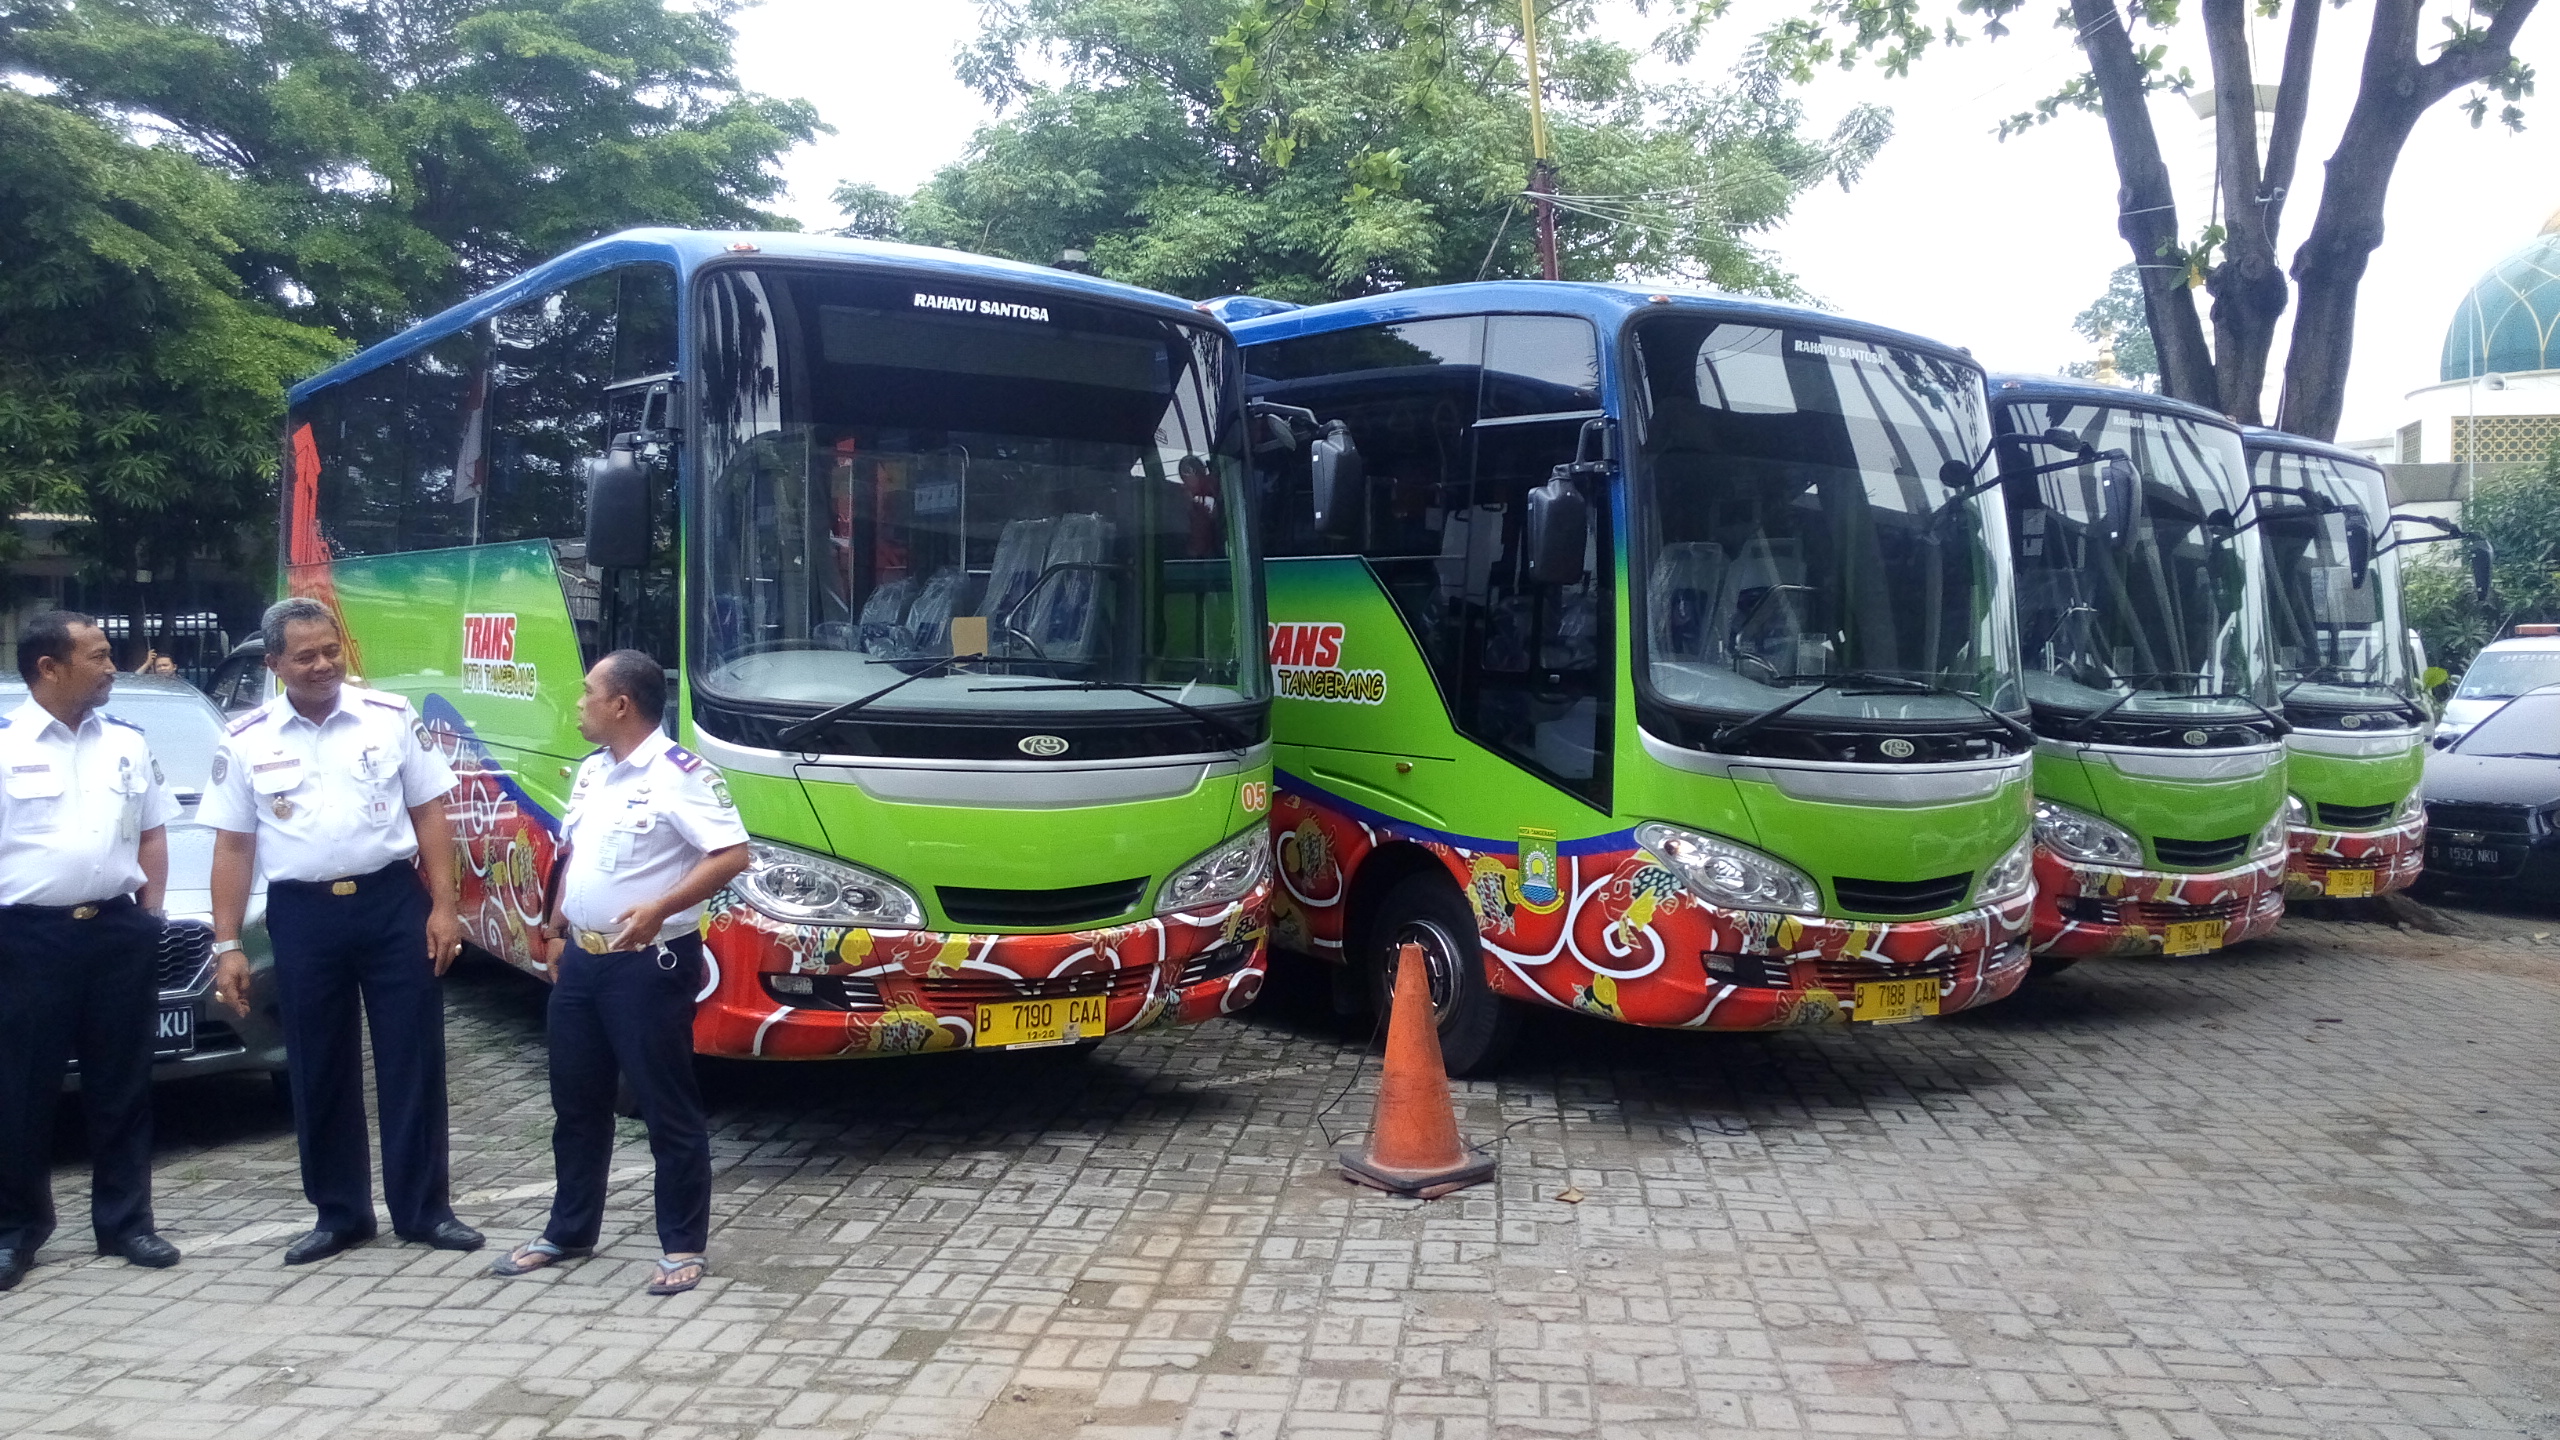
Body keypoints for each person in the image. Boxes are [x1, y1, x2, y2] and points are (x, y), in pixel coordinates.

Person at [204, 596, 480, 1264]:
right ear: (275, 664)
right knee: (317, 1063)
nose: (324, 665)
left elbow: (430, 814)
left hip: (391, 904)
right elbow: (233, 848)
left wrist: (444, 908)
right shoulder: (245, 740)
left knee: (411, 1058)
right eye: (306, 656)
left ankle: (424, 1210)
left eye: (332, 651)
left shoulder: (388, 718)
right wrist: (228, 944)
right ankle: (340, 1213)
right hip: (301, 914)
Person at [491, 651, 746, 1297]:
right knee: (576, 1104)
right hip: (581, 961)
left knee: (667, 1109)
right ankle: (569, 1229)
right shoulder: (593, 772)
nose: (579, 703)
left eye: (588, 693)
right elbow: (574, 858)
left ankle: (682, 1244)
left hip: (648, 965)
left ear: (621, 705)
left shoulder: (680, 774)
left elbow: (732, 854)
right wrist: (551, 931)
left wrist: (662, 906)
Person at [0, 612, 186, 1290]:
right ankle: (16, 1230)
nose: (114, 667)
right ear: (49, 668)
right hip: (27, 937)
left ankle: (127, 1222)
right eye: (99, 656)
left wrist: (150, 917)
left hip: (116, 932)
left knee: (122, 1083)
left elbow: (153, 834)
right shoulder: (4, 743)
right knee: (20, 1089)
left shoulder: (128, 745)